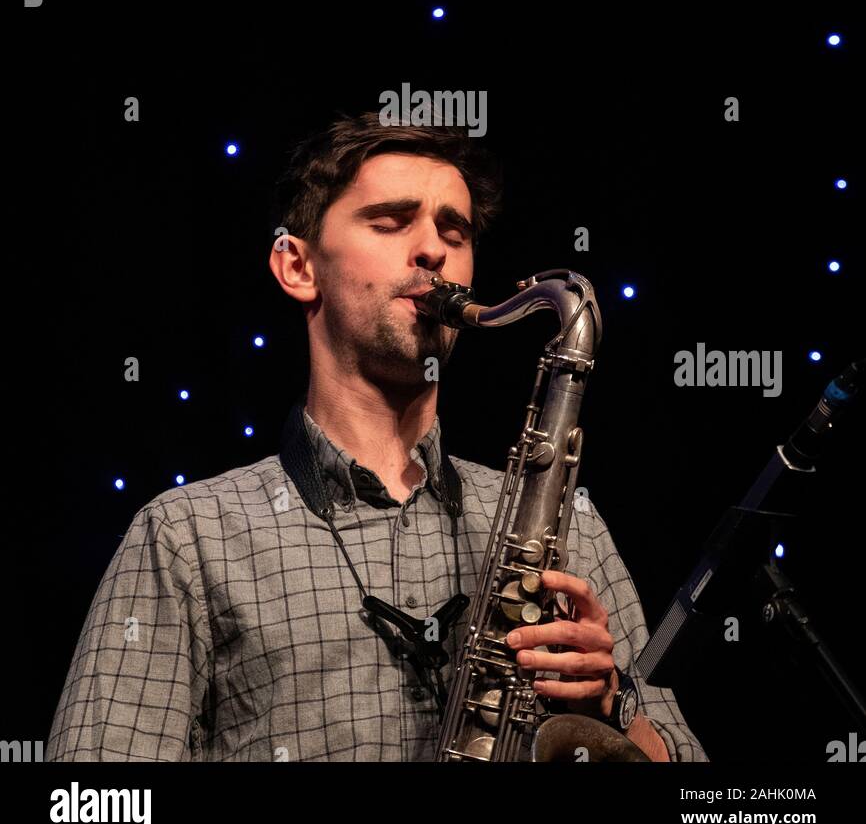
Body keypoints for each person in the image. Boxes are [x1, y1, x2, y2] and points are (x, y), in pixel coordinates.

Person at [46, 110, 708, 762]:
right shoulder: (186, 536)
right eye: (391, 221)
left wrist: (607, 710)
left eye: (454, 229)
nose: (433, 249)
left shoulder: (572, 531)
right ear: (297, 267)